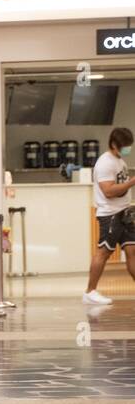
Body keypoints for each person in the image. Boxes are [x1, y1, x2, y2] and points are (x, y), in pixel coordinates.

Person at [82, 127, 135, 305]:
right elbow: (109, 191)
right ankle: (90, 291)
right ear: (114, 144)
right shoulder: (106, 163)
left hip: (124, 212)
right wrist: (132, 182)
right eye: (125, 146)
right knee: (104, 252)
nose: (128, 149)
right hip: (110, 215)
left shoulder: (119, 161)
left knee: (132, 250)